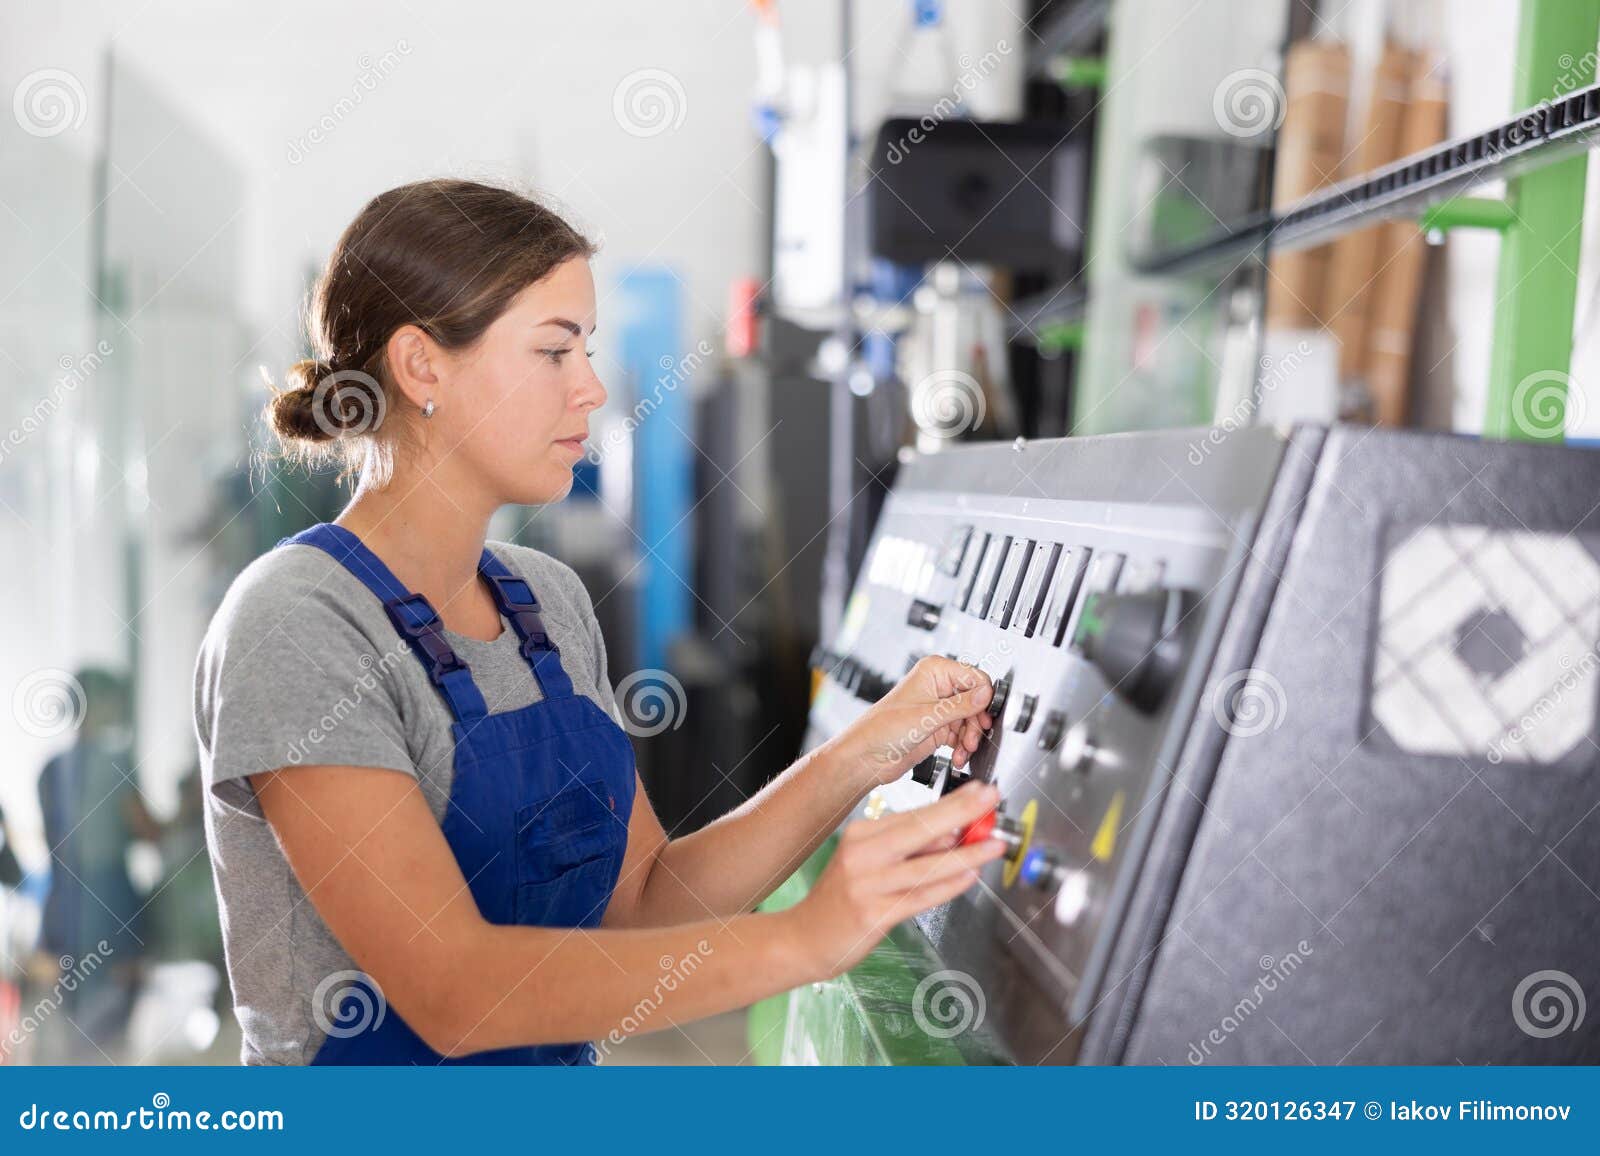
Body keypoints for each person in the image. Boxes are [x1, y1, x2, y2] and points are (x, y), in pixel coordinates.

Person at [193, 179, 1001, 1066]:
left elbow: (642, 905)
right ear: (423, 365)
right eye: (554, 352)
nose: (592, 388)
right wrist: (806, 939)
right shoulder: (299, 623)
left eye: (588, 348)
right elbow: (454, 994)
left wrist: (875, 746)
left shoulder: (545, 602)